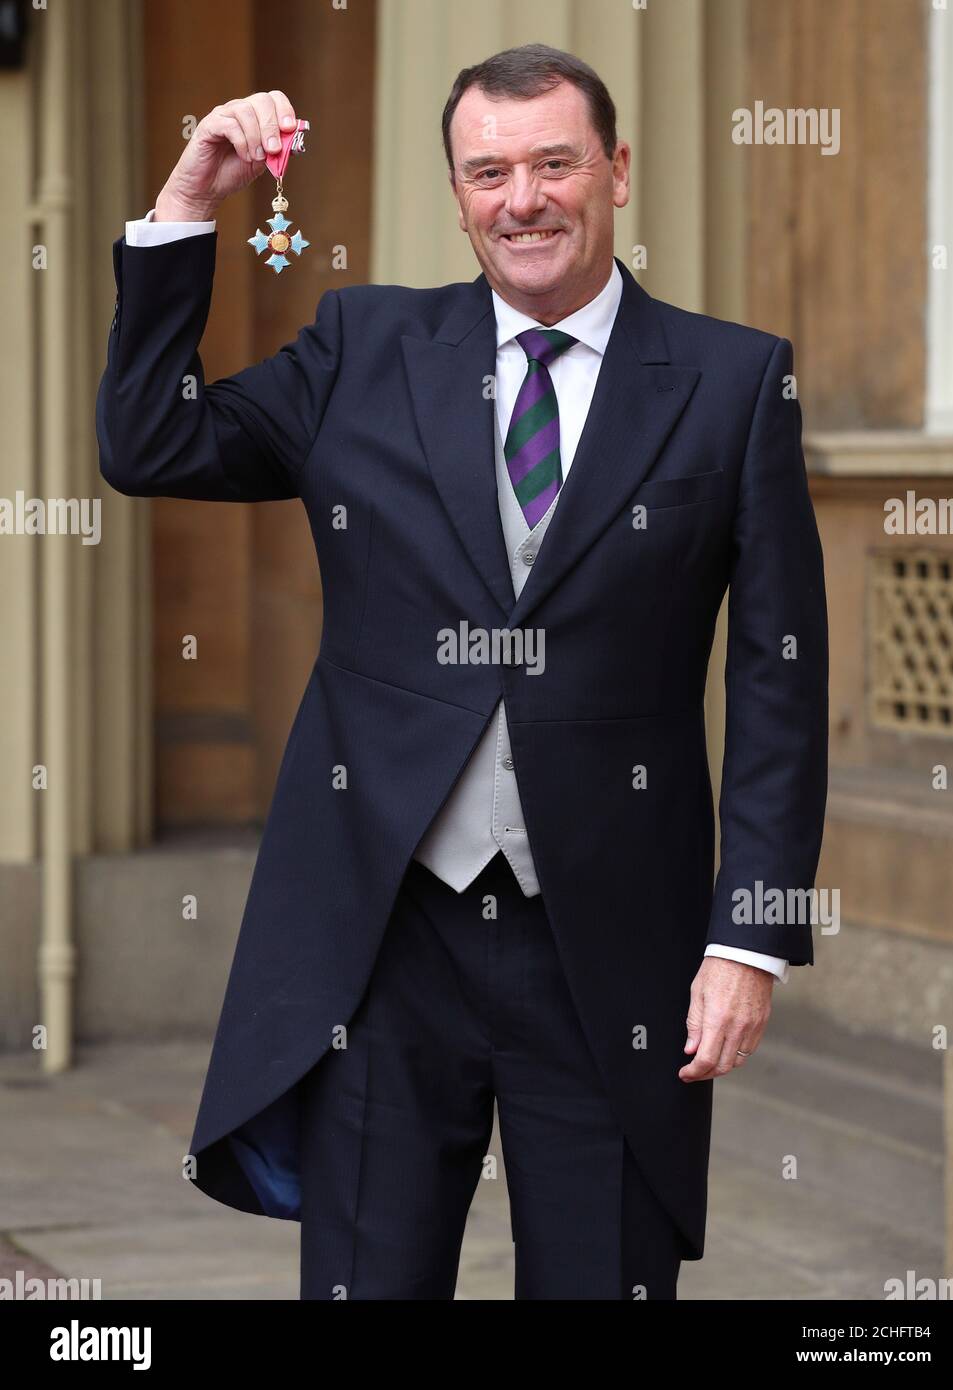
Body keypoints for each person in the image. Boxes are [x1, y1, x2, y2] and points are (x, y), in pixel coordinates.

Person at [97, 43, 828, 1300]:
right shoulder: (361, 344)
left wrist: (749, 938)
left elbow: (779, 672)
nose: (523, 199)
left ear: (618, 172)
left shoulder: (732, 380)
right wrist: (186, 209)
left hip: (611, 946)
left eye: (555, 163)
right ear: (456, 191)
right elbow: (154, 440)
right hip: (384, 940)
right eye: (488, 172)